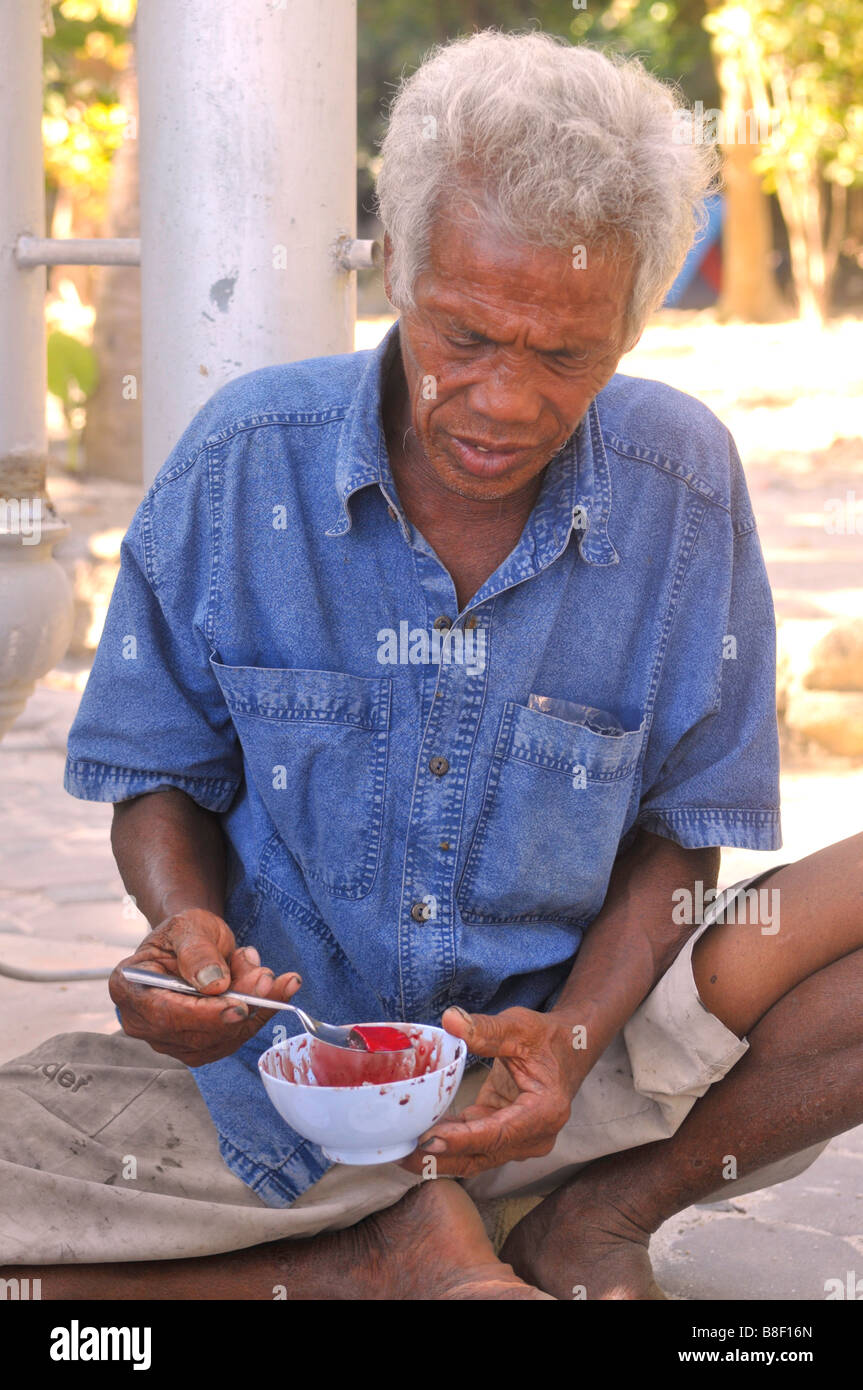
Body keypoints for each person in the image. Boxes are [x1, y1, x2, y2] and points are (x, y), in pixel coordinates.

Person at [2, 30, 861, 1302]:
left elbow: (681, 839)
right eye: (462, 334)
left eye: (562, 355)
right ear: (394, 265)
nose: (501, 401)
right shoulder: (246, 460)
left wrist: (565, 1047)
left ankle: (595, 1218)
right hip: (276, 1086)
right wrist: (181, 932)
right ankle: (378, 1254)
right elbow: (159, 775)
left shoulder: (679, 484)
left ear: (631, 321)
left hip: (562, 1078)